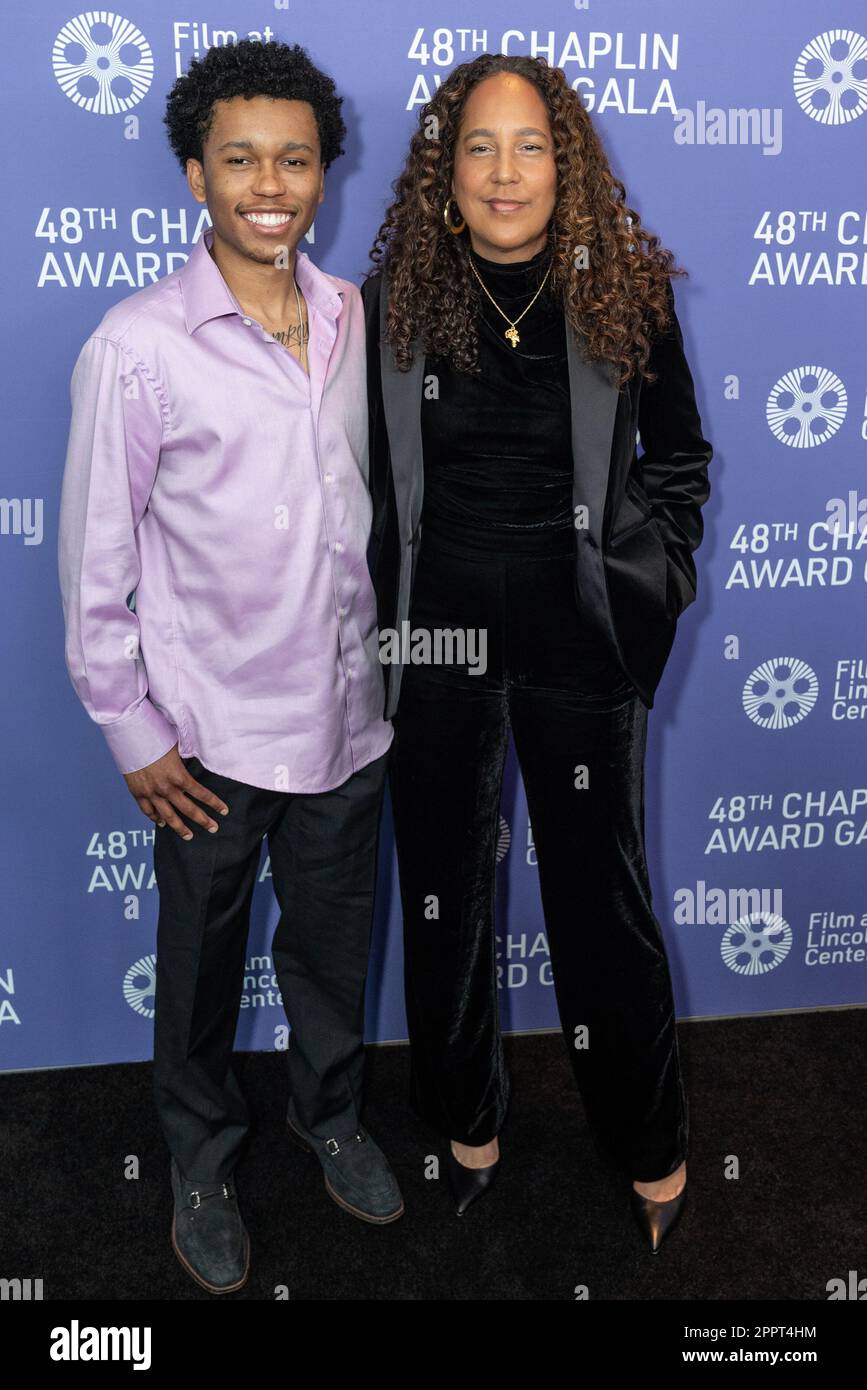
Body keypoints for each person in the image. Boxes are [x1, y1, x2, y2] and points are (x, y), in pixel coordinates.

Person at [57, 39, 402, 1297]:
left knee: (328, 950)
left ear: (323, 173)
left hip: (349, 721)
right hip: (201, 738)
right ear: (196, 174)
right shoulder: (138, 346)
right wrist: (132, 729)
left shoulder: (359, 317)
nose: (272, 183)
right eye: (242, 158)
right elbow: (94, 563)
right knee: (200, 971)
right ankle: (200, 1159)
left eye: (296, 159)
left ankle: (331, 1115)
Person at [361, 53, 713, 1253]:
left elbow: (679, 461)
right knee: (445, 892)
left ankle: (649, 1140)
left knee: (600, 901)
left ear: (566, 163)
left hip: (579, 636)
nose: (505, 173)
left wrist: (652, 579)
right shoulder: (398, 292)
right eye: (479, 145)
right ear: (443, 167)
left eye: (531, 146)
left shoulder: (624, 291)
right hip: (438, 639)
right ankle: (465, 1124)